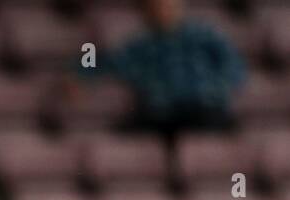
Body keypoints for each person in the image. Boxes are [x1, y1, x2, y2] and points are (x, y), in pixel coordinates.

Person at [76, 0, 246, 138]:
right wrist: (80, 75)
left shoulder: (203, 36)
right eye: (154, 6)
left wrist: (213, 91)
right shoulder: (140, 46)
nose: (162, 11)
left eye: (167, 5)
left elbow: (233, 68)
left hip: (202, 110)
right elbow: (108, 64)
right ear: (145, 12)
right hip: (160, 114)